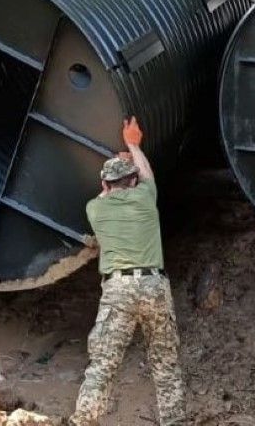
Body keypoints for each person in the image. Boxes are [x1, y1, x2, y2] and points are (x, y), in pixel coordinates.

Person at [71, 117, 186, 426]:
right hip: (153, 286)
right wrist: (133, 145)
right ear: (133, 181)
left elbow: (105, 193)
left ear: (105, 186)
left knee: (102, 366)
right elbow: (147, 174)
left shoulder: (95, 209)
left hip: (118, 290)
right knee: (166, 364)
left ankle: (84, 421)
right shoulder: (145, 197)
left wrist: (113, 174)